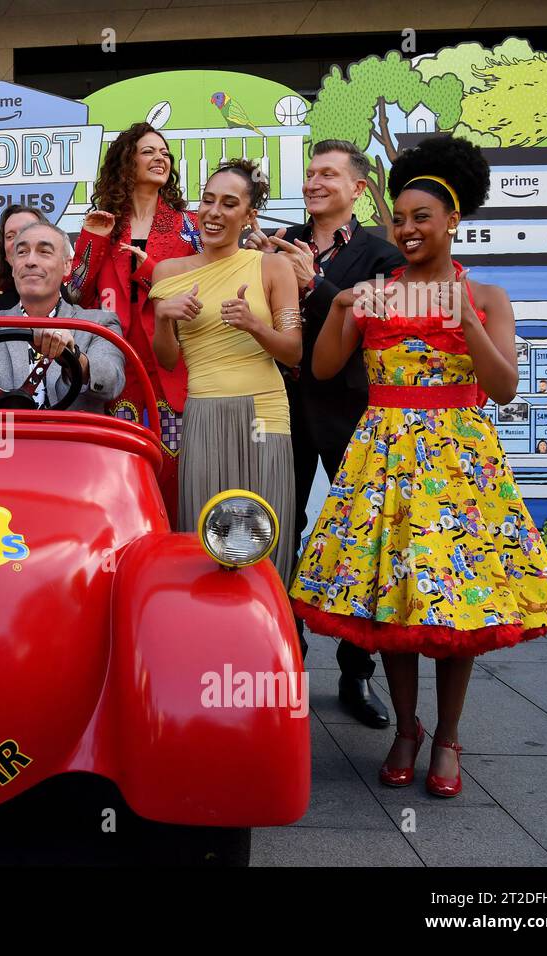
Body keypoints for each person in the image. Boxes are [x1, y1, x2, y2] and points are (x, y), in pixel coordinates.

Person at [291, 135, 547, 798]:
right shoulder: (372, 292)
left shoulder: (491, 296)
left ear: (452, 222)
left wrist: (463, 317)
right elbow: (325, 369)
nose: (409, 228)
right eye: (400, 218)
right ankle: (407, 728)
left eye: (423, 217)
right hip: (383, 460)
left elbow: (504, 388)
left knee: (460, 609)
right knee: (393, 603)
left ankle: (447, 736)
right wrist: (337, 305)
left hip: (459, 467)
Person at [245, 140, 405, 729]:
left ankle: (356, 673)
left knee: (358, 535)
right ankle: (281, 659)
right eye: (311, 172)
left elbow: (380, 326)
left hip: (350, 409)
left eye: (329, 174)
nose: (315, 182)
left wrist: (314, 286)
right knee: (275, 523)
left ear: (359, 188)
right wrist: (257, 269)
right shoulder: (277, 241)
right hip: (277, 404)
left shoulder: (382, 255)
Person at [148, 159, 302, 583]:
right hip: (203, 410)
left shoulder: (272, 267)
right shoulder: (168, 272)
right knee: (205, 531)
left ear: (249, 216)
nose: (214, 212)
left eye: (229, 203)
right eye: (208, 201)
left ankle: (267, 632)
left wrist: (254, 324)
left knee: (264, 529)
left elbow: (292, 353)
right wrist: (164, 318)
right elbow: (166, 360)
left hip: (264, 412)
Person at [68, 122, 202, 514]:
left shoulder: (187, 226)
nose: (160, 158)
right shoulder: (104, 223)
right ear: (127, 164)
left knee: (175, 476)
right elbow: (76, 293)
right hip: (116, 366)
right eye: (149, 152)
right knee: (120, 476)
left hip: (171, 363)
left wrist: (150, 272)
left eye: (165, 153)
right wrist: (92, 239)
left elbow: (200, 288)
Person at [0, 222, 124, 413]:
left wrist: (74, 359)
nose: (30, 261)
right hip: (6, 441)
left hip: (74, 442)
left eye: (44, 252)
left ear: (67, 266)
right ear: (13, 267)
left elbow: (111, 382)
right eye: (22, 252)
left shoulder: (98, 324)